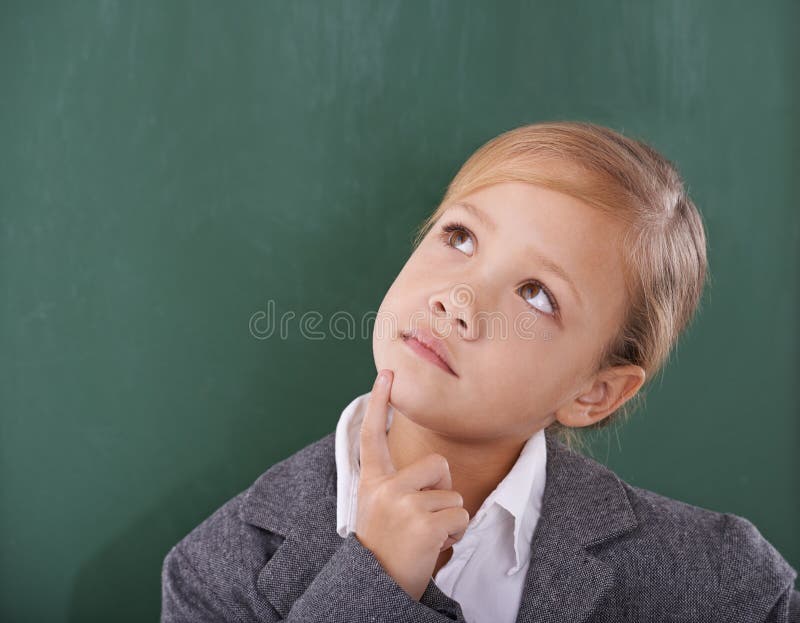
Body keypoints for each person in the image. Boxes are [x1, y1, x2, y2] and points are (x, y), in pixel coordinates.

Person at [161, 121, 799, 622]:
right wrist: (373, 584)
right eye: (460, 237)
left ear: (595, 392)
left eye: (537, 293)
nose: (457, 302)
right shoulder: (220, 570)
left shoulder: (727, 584)